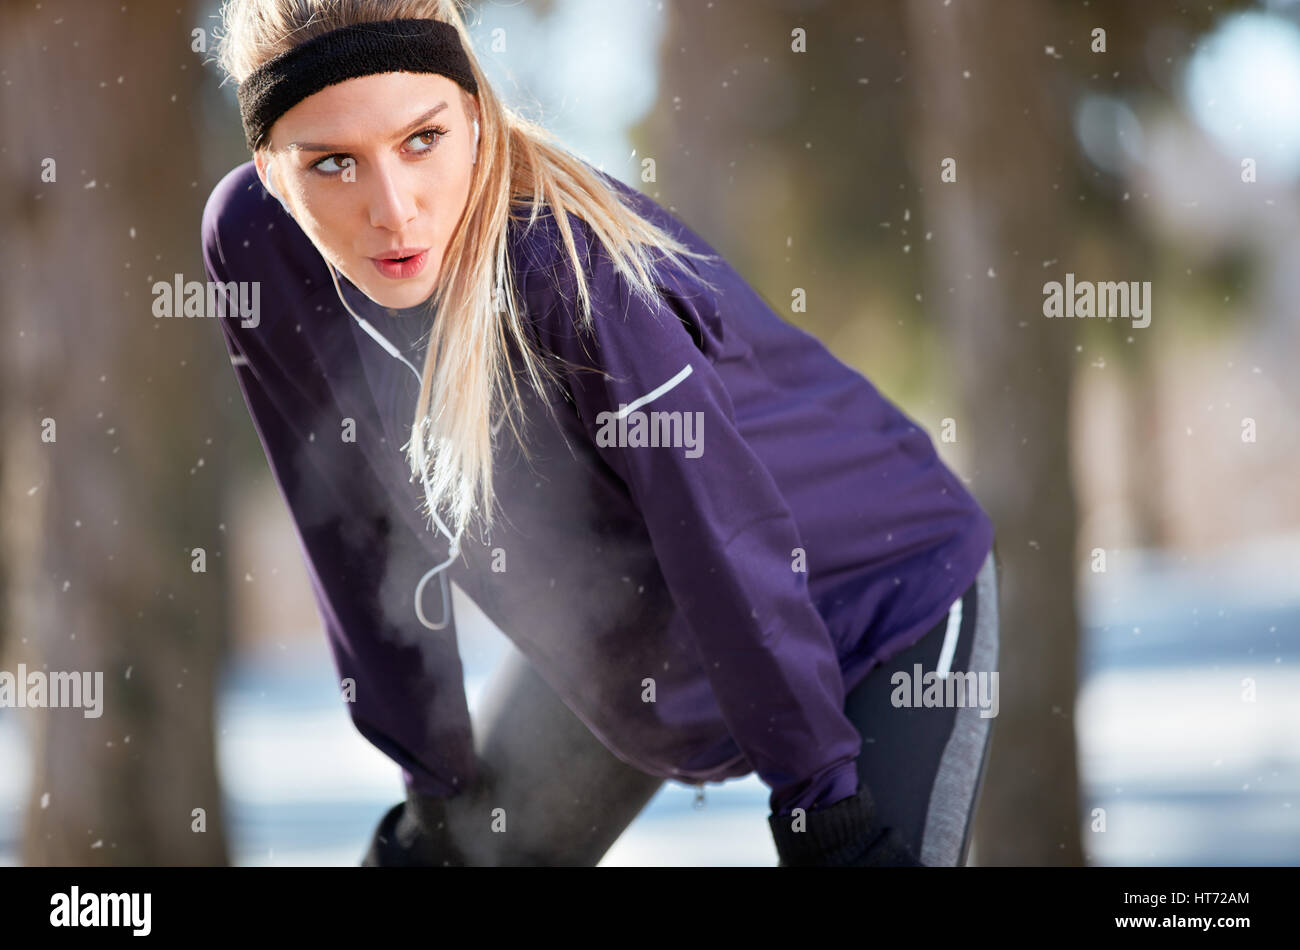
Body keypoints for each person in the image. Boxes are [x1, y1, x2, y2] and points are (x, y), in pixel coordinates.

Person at [201, 0, 1000, 867]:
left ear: (474, 114)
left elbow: (721, 541)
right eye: (333, 164)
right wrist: (431, 777)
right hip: (637, 644)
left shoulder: (568, 273)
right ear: (271, 170)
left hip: (876, 595)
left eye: (421, 139)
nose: (393, 209)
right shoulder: (254, 246)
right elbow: (351, 521)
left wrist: (823, 807)